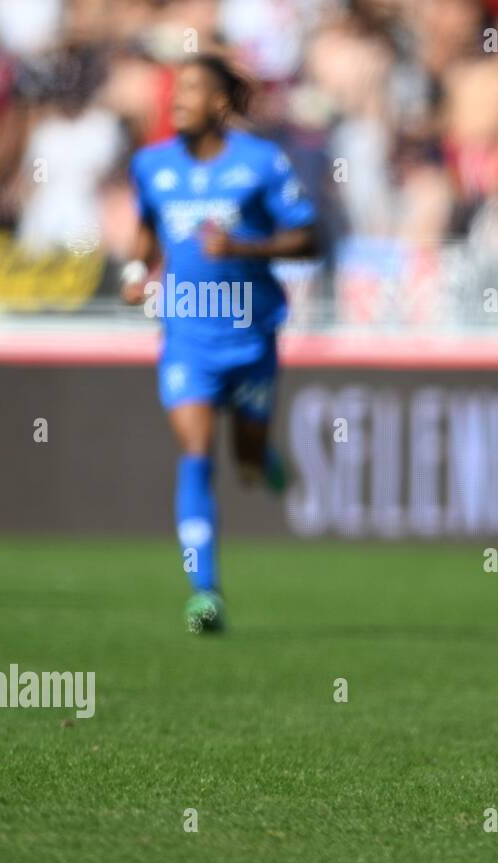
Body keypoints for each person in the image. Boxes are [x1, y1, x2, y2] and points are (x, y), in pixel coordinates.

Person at [122, 54, 318, 633]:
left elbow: (308, 237)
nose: (176, 100)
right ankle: (204, 592)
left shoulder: (261, 163)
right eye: (173, 91)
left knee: (248, 464)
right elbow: (146, 230)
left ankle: (264, 456)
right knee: (196, 454)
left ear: (220, 104)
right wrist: (137, 273)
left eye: (190, 91)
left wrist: (243, 249)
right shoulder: (151, 164)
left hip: (251, 337)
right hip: (187, 342)